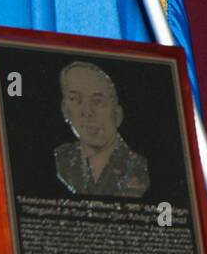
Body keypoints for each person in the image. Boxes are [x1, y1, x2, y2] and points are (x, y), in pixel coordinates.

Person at [54, 60, 149, 198]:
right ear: (65, 110)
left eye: (97, 101)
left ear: (117, 114)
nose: (87, 112)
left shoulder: (137, 167)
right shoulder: (61, 158)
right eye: (75, 99)